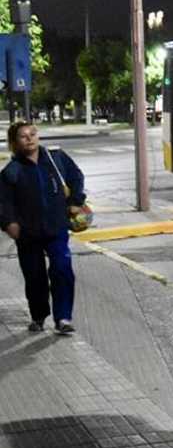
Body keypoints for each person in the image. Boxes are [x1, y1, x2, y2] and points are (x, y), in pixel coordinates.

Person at [0, 122, 85, 334]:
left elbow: (76, 177)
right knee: (34, 276)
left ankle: (63, 317)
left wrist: (75, 200)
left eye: (33, 134)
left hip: (56, 227)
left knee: (62, 268)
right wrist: (9, 224)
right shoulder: (11, 171)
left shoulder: (56, 158)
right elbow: (3, 202)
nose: (29, 139)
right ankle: (38, 315)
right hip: (28, 233)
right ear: (14, 142)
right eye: (23, 136)